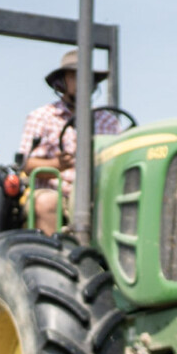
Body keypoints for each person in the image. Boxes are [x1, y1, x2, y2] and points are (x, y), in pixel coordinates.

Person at [17, 49, 123, 232]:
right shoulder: (42, 117)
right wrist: (57, 165)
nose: (82, 82)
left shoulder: (109, 122)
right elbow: (26, 164)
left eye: (87, 77)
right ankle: (51, 249)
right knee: (46, 202)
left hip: (100, 196)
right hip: (59, 194)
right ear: (61, 82)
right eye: (75, 76)